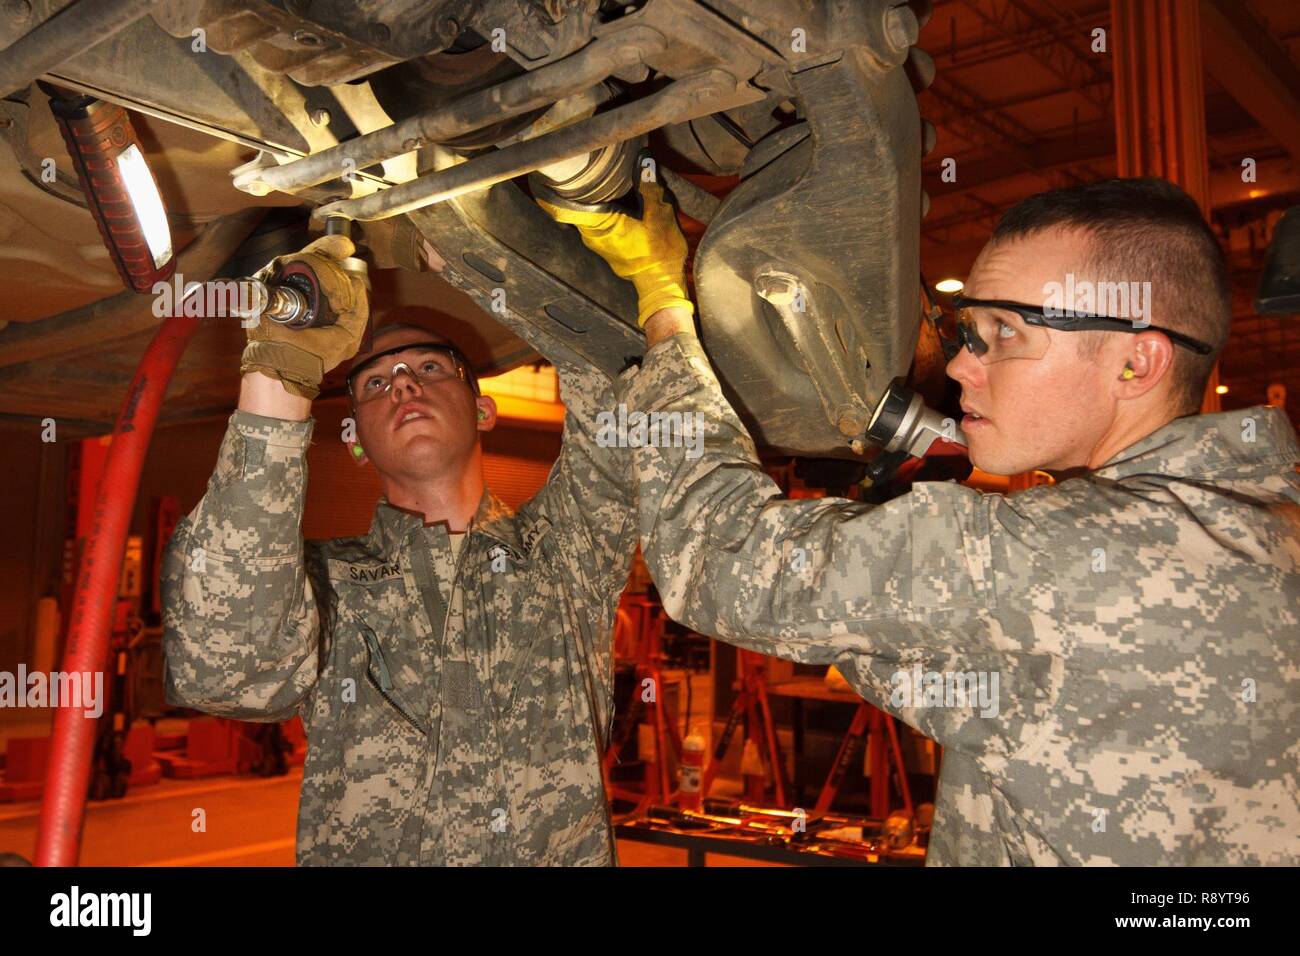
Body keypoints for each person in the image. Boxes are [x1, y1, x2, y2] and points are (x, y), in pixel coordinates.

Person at [560, 175, 1300, 865]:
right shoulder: (1271, 526)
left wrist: (663, 307)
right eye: (967, 331)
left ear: (1136, 365)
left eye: (1005, 334)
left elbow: (718, 560)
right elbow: (955, 675)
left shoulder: (1050, 553)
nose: (959, 367)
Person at [162, 231, 656, 865]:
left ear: (483, 410)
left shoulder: (565, 553)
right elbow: (227, 677)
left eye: (428, 368)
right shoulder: (325, 586)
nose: (401, 386)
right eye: (373, 385)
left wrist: (481, 253)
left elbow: (612, 379)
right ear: (357, 440)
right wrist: (279, 372)